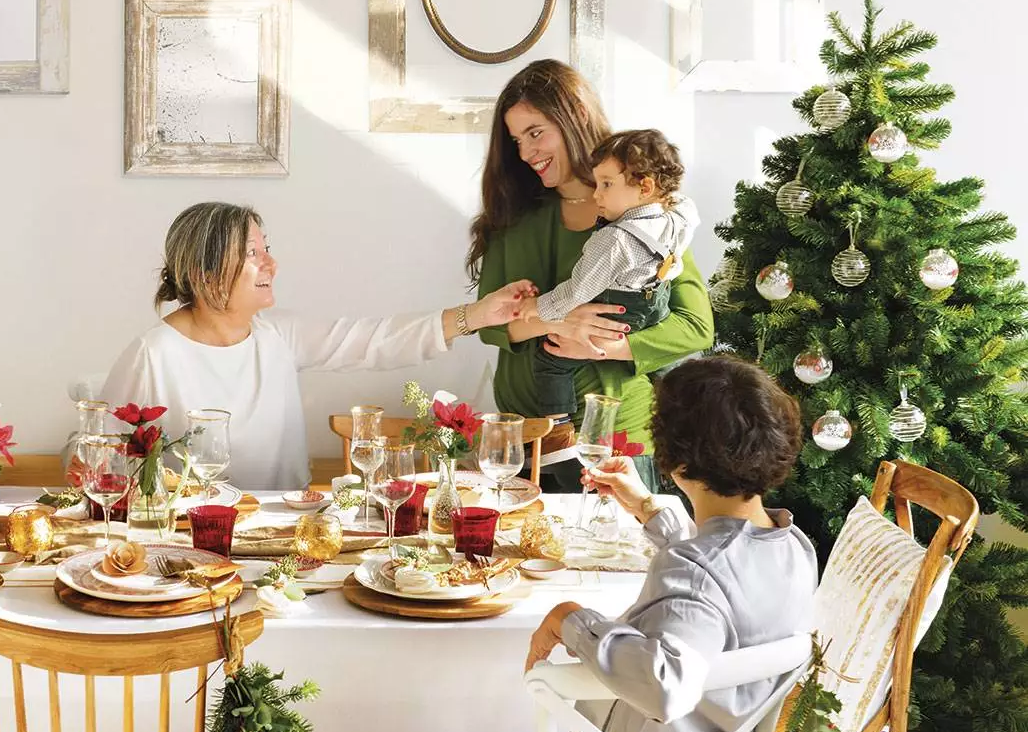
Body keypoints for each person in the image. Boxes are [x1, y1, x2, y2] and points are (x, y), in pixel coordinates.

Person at [374, 356, 816, 732]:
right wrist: (650, 511)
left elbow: (668, 681)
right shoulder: (793, 546)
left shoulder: (693, 572)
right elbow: (718, 589)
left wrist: (571, 620)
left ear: (676, 460)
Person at [99, 202, 537, 492]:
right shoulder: (154, 354)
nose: (271, 263)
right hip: (192, 533)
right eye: (253, 253)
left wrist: (477, 315)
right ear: (205, 272)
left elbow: (375, 340)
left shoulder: (278, 336)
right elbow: (100, 456)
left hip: (287, 528)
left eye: (266, 249)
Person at [469, 60, 713, 488]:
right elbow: (488, 325)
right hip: (524, 444)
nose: (526, 154)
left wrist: (602, 346)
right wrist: (556, 321)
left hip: (617, 447)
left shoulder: (652, 219)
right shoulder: (513, 216)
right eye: (516, 140)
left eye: (536, 133)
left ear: (577, 115)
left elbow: (695, 328)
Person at [530, 129, 699, 417]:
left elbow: (577, 291)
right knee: (666, 367)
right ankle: (683, 418)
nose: (596, 195)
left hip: (621, 314)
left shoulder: (615, 239)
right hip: (658, 310)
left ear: (645, 188)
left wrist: (536, 310)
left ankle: (557, 431)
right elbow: (683, 203)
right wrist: (664, 188)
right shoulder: (680, 217)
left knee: (550, 358)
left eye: (606, 184)